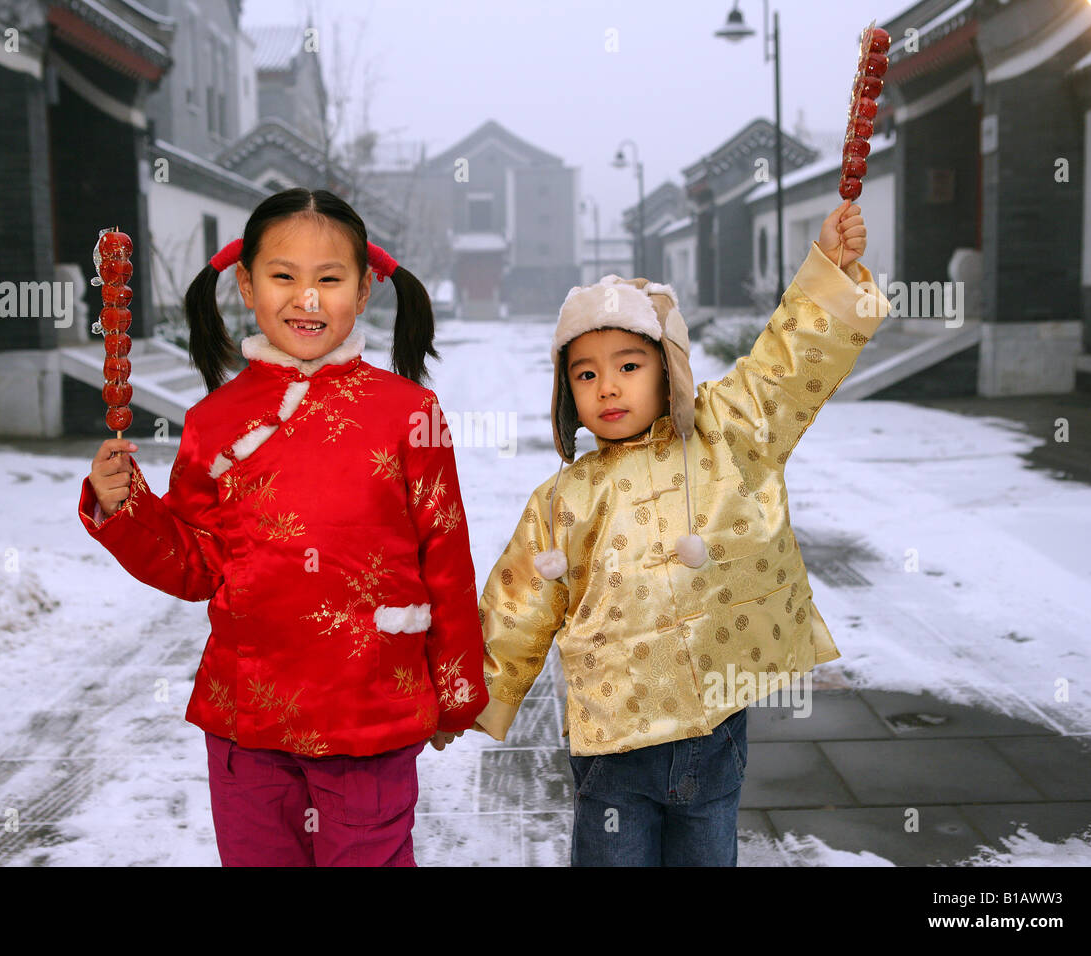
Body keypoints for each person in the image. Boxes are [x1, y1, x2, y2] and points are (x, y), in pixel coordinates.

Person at [455, 200, 890, 866]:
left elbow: (786, 365)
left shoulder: (728, 434)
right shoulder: (563, 499)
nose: (608, 387)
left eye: (629, 365)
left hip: (713, 735)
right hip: (612, 751)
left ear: (669, 368)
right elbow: (514, 609)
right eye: (586, 372)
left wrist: (829, 267)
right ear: (568, 392)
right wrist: (460, 699)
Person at [79, 188, 488, 866]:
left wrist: (455, 690)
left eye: (329, 279)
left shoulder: (409, 411)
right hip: (247, 719)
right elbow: (196, 565)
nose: (307, 298)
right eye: (283, 276)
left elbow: (445, 554)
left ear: (362, 293)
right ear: (245, 284)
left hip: (370, 713)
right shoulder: (215, 419)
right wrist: (125, 510)